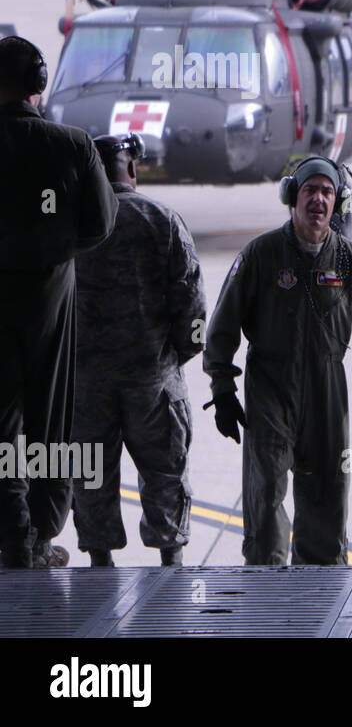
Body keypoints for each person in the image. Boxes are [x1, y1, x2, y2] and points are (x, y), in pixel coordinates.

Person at [203, 156, 352, 565]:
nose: (319, 200)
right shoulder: (260, 255)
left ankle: (321, 602)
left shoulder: (351, 261)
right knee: (266, 495)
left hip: (328, 393)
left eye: (327, 192)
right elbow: (222, 325)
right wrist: (222, 389)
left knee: (328, 497)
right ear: (292, 197)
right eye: (310, 190)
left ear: (338, 201)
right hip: (271, 390)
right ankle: (266, 598)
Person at [0, 35, 117, 568]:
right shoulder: (73, 145)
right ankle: (41, 534)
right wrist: (52, 251)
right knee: (52, 418)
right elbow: (101, 222)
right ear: (38, 86)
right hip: (51, 298)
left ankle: (11, 534)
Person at [72, 133, 206, 567]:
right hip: (152, 378)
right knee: (165, 471)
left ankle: (99, 560)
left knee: (91, 473)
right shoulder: (162, 219)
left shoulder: (71, 226)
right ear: (131, 169)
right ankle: (170, 557)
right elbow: (193, 306)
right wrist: (172, 360)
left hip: (86, 381)